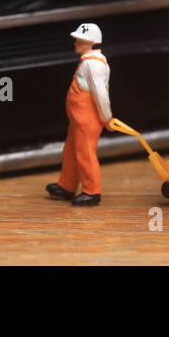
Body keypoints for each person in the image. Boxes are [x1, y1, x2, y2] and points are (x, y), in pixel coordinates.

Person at [46, 23, 113, 207]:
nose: (76, 41)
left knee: (85, 153)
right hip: (78, 119)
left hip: (87, 119)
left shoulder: (93, 65)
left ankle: (92, 191)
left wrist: (106, 117)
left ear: (89, 42)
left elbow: (100, 93)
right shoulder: (87, 61)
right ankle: (66, 186)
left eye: (79, 39)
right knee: (71, 151)